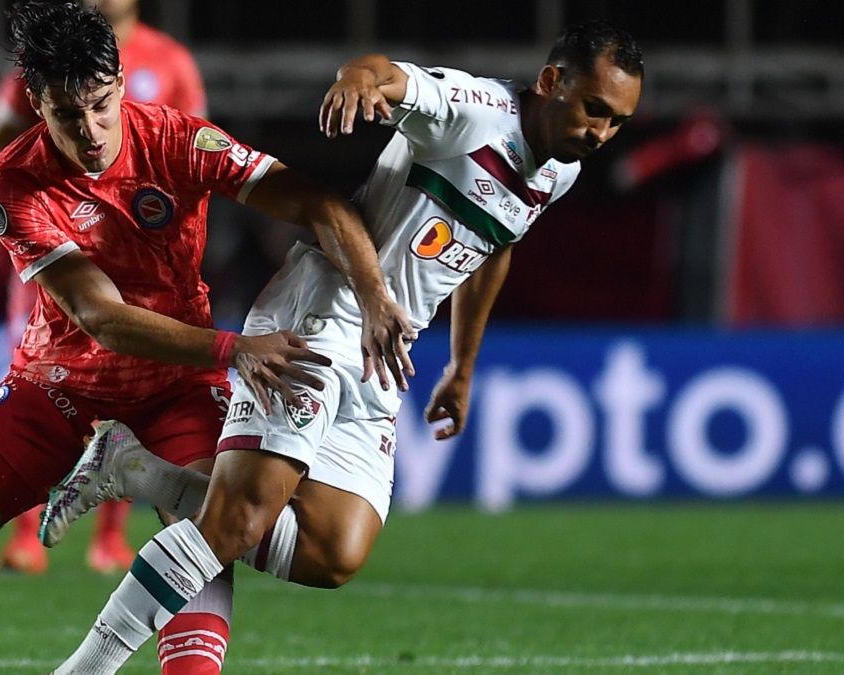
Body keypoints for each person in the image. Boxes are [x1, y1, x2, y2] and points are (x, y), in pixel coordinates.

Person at [49, 19, 643, 674]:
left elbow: (495, 248)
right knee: (236, 523)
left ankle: (136, 467)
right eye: (595, 109)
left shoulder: (558, 171)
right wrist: (357, 80)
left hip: (384, 344)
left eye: (617, 122)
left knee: (335, 552)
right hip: (322, 311)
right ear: (553, 81)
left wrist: (463, 365)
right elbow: (388, 75)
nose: (601, 132)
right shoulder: (475, 114)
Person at [0, 2, 413, 674]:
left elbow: (317, 203)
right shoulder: (12, 184)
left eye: (102, 105)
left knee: (208, 542)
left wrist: (374, 296)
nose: (92, 130)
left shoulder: (178, 140)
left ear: (122, 82)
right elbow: (99, 314)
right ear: (36, 103)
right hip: (57, 388)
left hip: (175, 389)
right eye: (69, 115)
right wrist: (233, 349)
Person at [0, 0, 207, 576]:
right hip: (57, 244)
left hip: (139, 247)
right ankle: (23, 531)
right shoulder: (51, 54)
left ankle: (109, 536)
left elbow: (196, 151)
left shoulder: (172, 61)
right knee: (38, 375)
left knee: (130, 379)